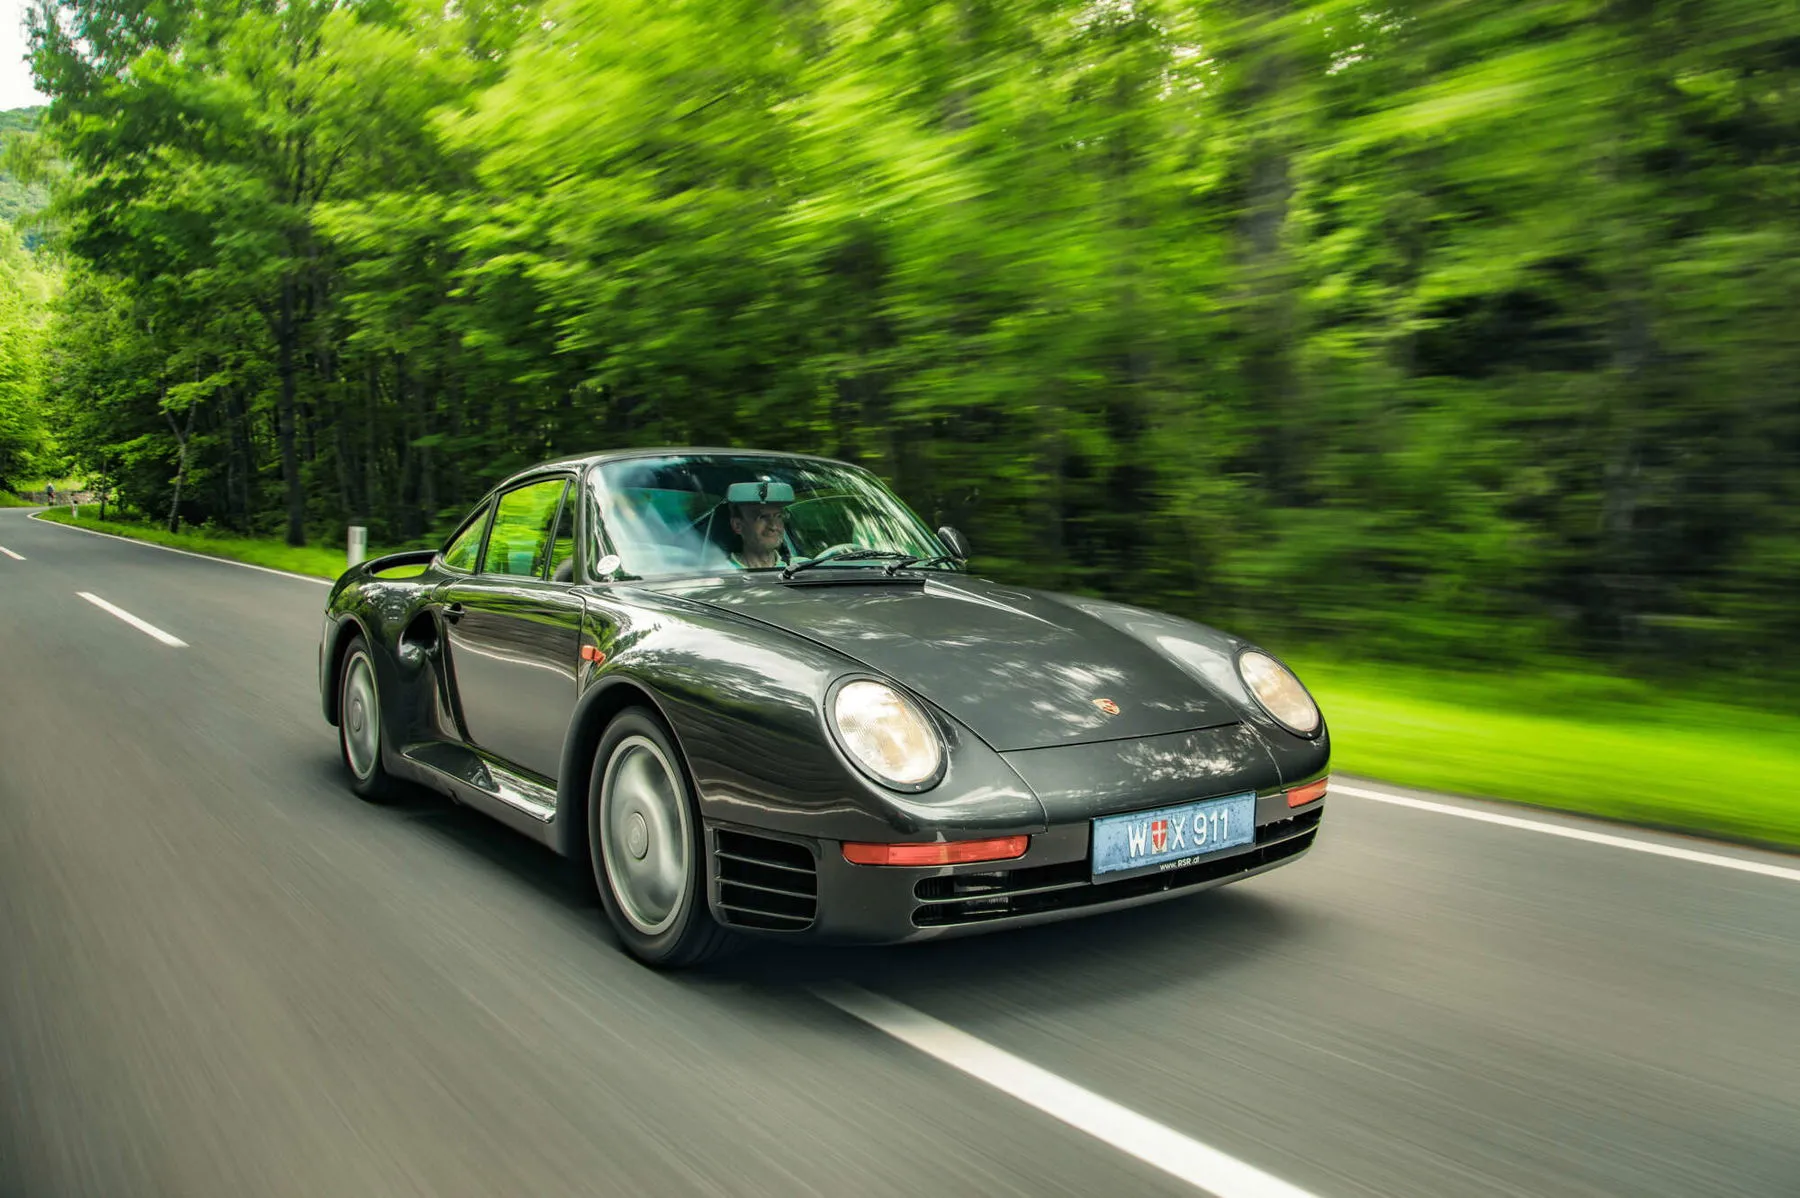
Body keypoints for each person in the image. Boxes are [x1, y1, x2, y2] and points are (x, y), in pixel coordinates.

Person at [728, 501, 789, 569]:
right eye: (762, 517)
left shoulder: (799, 566)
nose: (774, 526)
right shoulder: (721, 572)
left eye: (779, 516)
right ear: (738, 525)